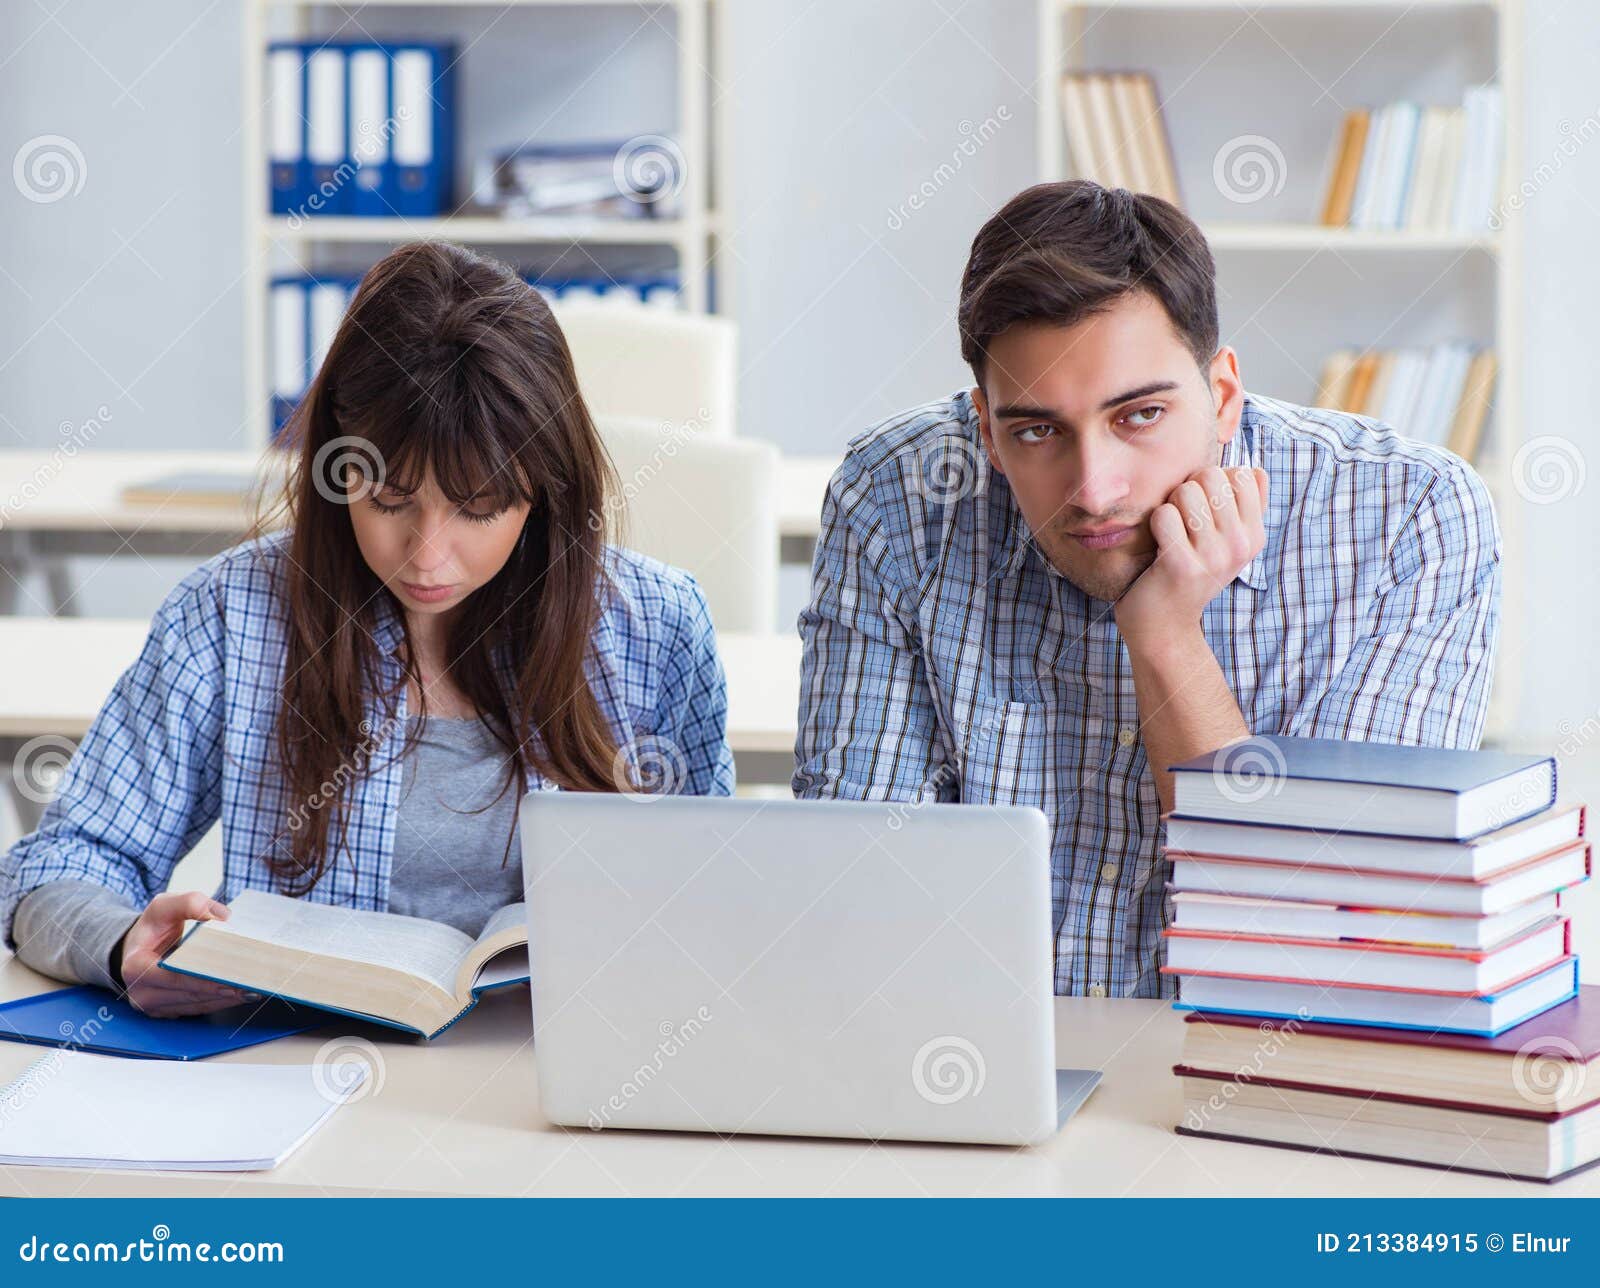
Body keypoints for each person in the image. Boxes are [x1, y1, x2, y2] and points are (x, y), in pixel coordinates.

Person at [794, 180, 1501, 998]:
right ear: (986, 433)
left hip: (1264, 1065)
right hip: (977, 1069)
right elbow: (864, 900)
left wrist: (1165, 636)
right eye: (1036, 431)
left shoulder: (1411, 517)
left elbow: (1312, 929)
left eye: (1138, 417)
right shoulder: (896, 496)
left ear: (1222, 396)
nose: (1094, 489)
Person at [1, 241, 734, 1017]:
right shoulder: (231, 612)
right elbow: (56, 864)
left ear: (547, 493)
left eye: (479, 510)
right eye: (387, 499)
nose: (427, 555)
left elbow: (719, 902)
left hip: (553, 1076)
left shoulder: (653, 627)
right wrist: (120, 943)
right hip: (283, 1075)